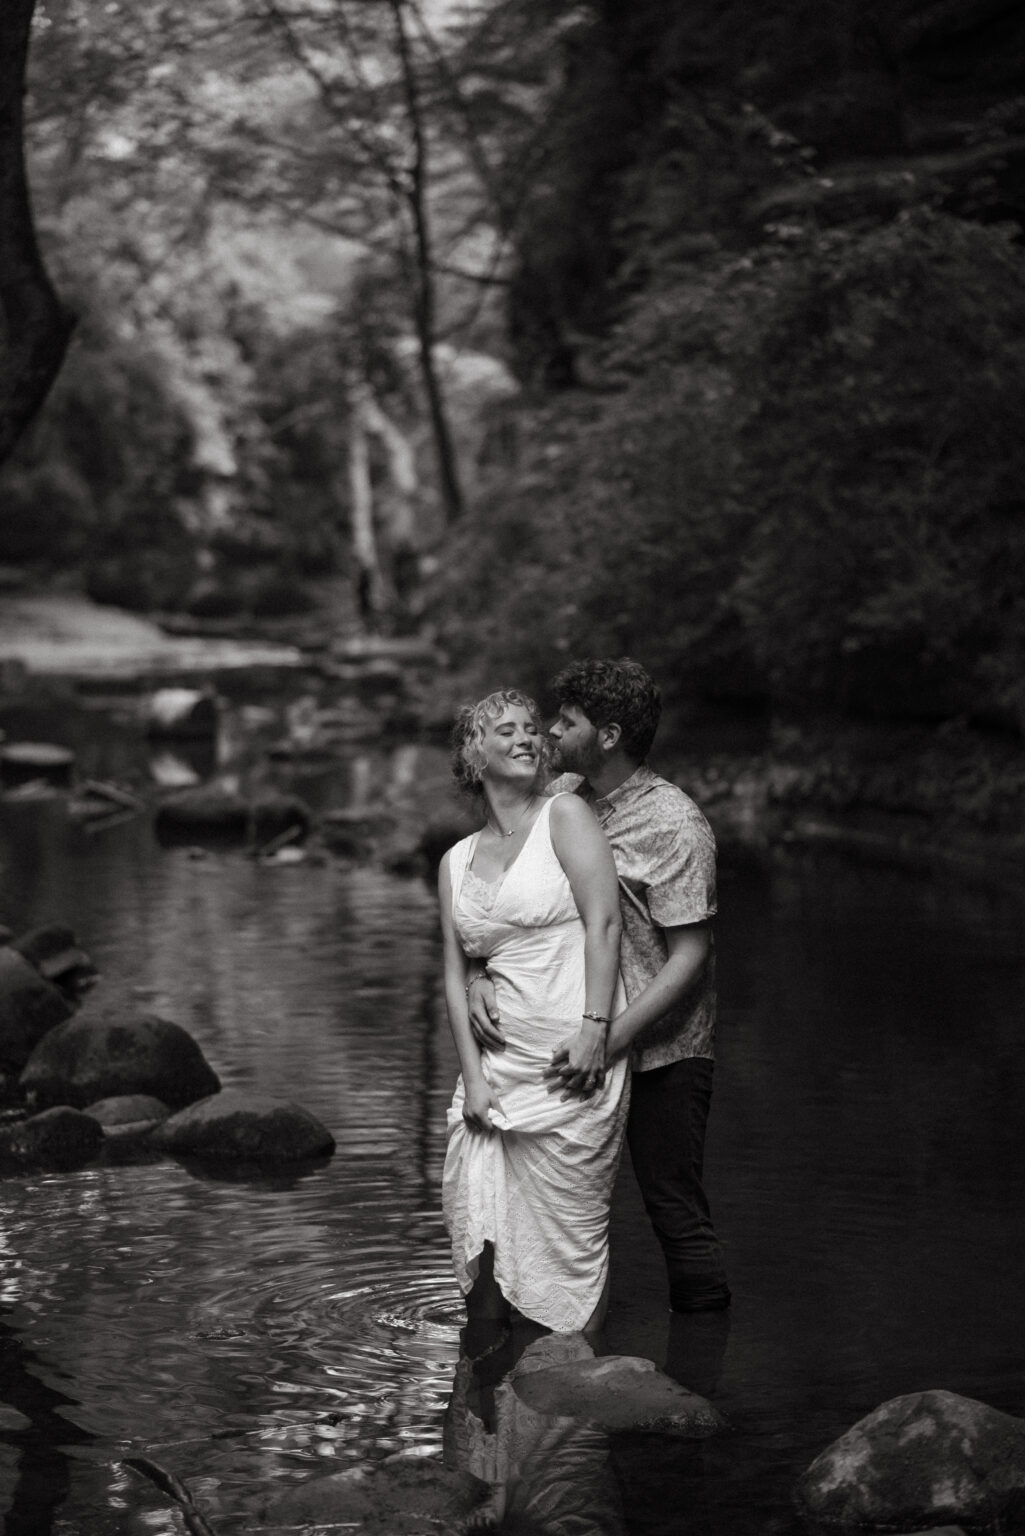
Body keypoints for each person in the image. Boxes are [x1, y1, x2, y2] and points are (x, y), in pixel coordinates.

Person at [468, 658, 730, 1315]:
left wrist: (612, 1036)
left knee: (671, 1206)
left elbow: (690, 954)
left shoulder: (675, 826)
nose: (551, 731)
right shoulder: (559, 795)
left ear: (608, 735)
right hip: (562, 1038)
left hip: (660, 1054)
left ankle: (702, 1375)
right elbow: (502, 895)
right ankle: (533, 1346)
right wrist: (477, 974)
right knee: (537, 1194)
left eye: (568, 720)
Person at [439, 688, 629, 1339]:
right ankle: (486, 1389)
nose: (526, 738)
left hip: (571, 1072)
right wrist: (473, 1077)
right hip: (493, 1076)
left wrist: (594, 1033)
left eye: (530, 729)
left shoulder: (565, 816)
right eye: (506, 730)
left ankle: (572, 1407)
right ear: (474, 752)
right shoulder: (454, 861)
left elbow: (605, 924)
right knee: (481, 1242)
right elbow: (453, 966)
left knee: (568, 1248)